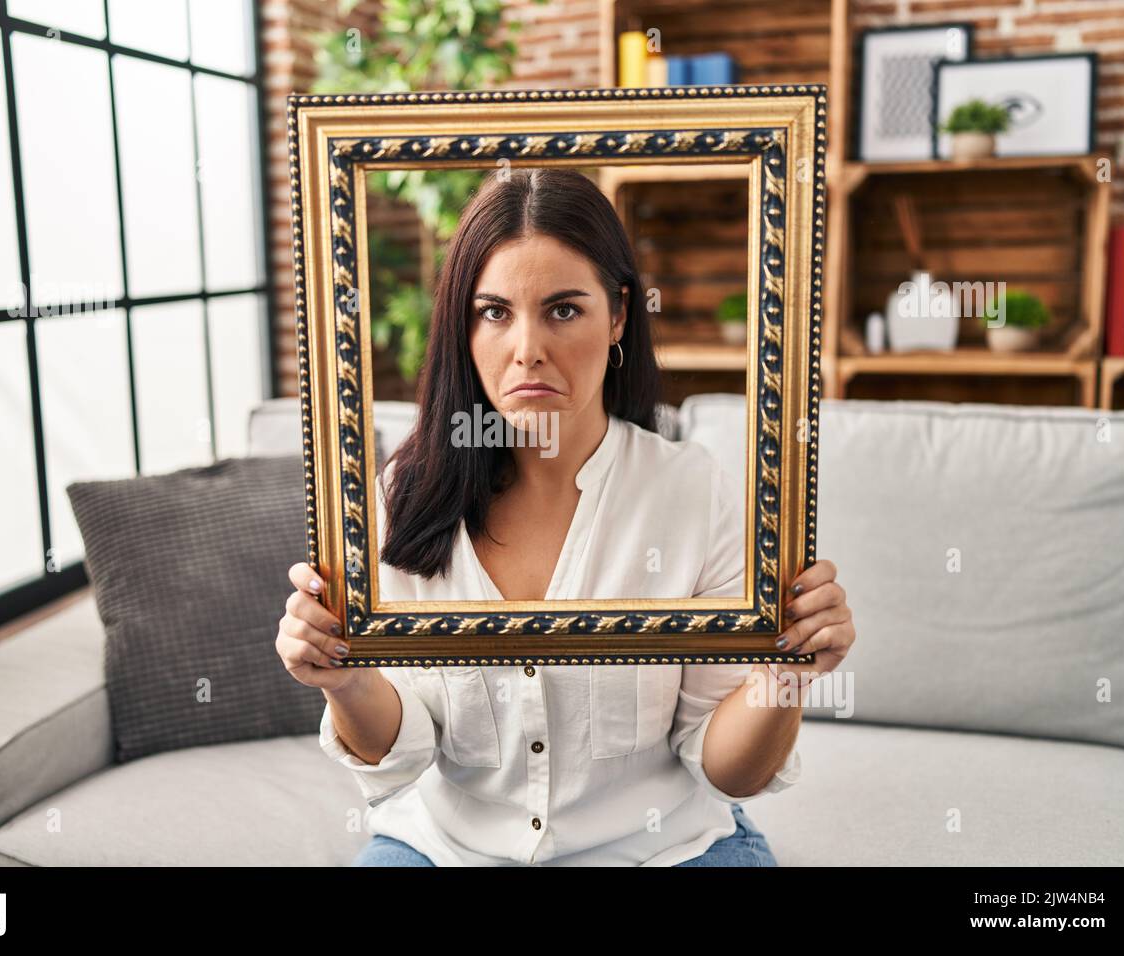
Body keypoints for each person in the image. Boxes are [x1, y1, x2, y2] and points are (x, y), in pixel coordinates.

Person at [275, 167, 856, 866]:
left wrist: (786, 670)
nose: (527, 350)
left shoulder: (692, 492)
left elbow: (728, 769)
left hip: (662, 851)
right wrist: (345, 677)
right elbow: (397, 754)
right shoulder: (402, 494)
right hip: (451, 852)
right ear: (463, 327)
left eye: (563, 309)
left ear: (617, 317)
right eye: (494, 312)